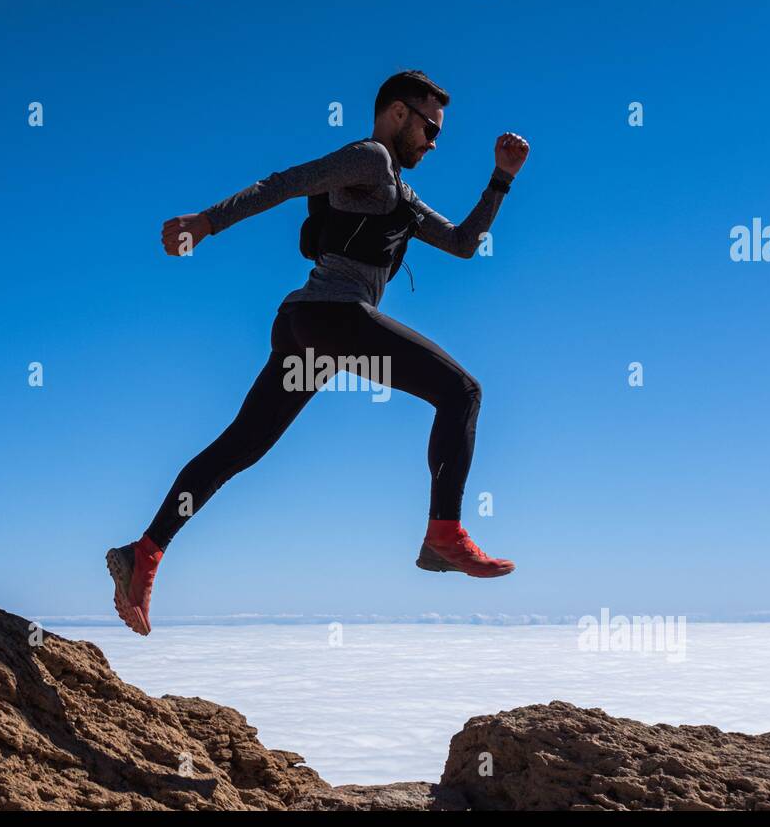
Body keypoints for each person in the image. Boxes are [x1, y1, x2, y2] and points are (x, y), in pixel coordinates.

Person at [108, 70, 530, 636]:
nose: (434, 142)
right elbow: (285, 182)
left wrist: (500, 180)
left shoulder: (401, 194)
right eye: (430, 127)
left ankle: (145, 552)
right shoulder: (371, 158)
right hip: (333, 318)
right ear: (398, 113)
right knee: (463, 391)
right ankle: (444, 533)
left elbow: (461, 244)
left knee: (240, 446)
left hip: (309, 333)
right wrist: (206, 223)